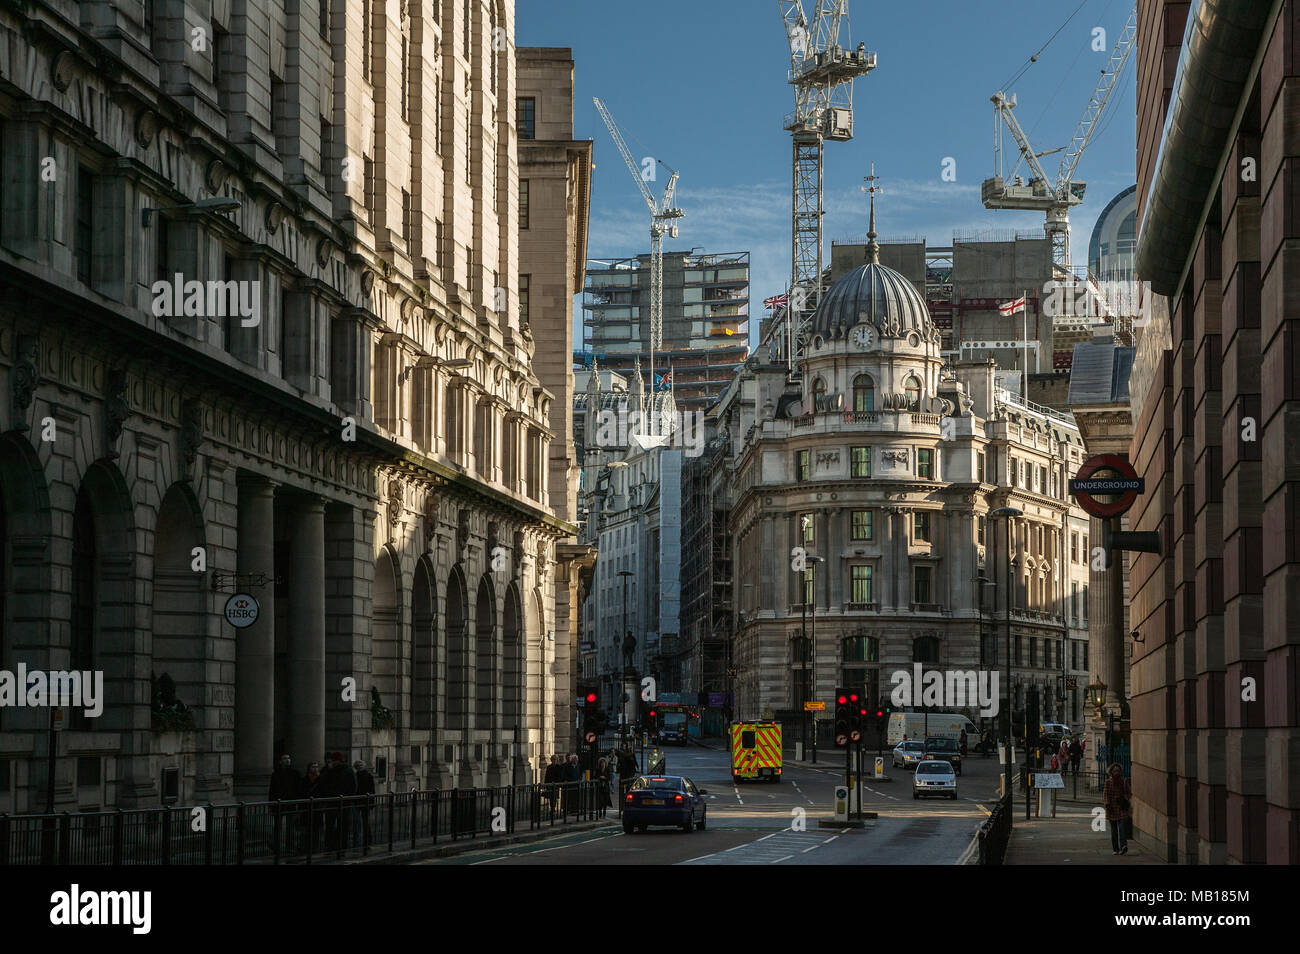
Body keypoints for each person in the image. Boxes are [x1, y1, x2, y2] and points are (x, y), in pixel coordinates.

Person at [1102, 763, 1132, 855]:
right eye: (1114, 771)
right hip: (1111, 809)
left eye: (1118, 771)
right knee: (1114, 830)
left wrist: (1124, 798)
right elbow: (1105, 794)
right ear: (1111, 772)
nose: (1116, 773)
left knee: (1122, 828)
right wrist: (1107, 804)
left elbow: (1129, 793)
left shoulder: (1124, 781)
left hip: (1121, 808)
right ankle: (1115, 849)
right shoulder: (1107, 782)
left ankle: (1123, 846)